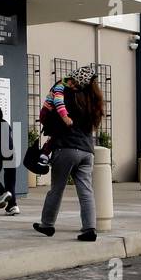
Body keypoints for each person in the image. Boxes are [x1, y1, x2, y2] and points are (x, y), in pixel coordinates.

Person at [32, 66, 103, 240]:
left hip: (66, 148)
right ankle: (89, 229)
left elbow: (46, 117)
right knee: (86, 191)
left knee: (56, 189)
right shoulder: (92, 100)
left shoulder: (64, 93)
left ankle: (47, 225)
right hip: (87, 151)